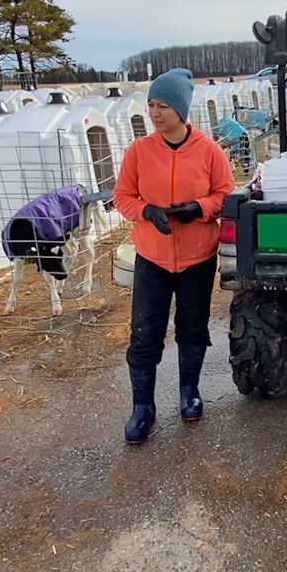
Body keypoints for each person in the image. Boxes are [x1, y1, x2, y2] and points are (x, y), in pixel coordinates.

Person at [113, 68, 236, 444]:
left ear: (181, 109)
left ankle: (188, 392)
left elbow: (226, 196)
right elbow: (122, 197)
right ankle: (143, 408)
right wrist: (146, 212)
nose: (155, 113)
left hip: (198, 256)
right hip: (152, 256)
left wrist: (198, 208)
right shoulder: (139, 151)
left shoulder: (209, 151)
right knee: (145, 333)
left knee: (193, 327)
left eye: (163, 105)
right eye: (151, 104)